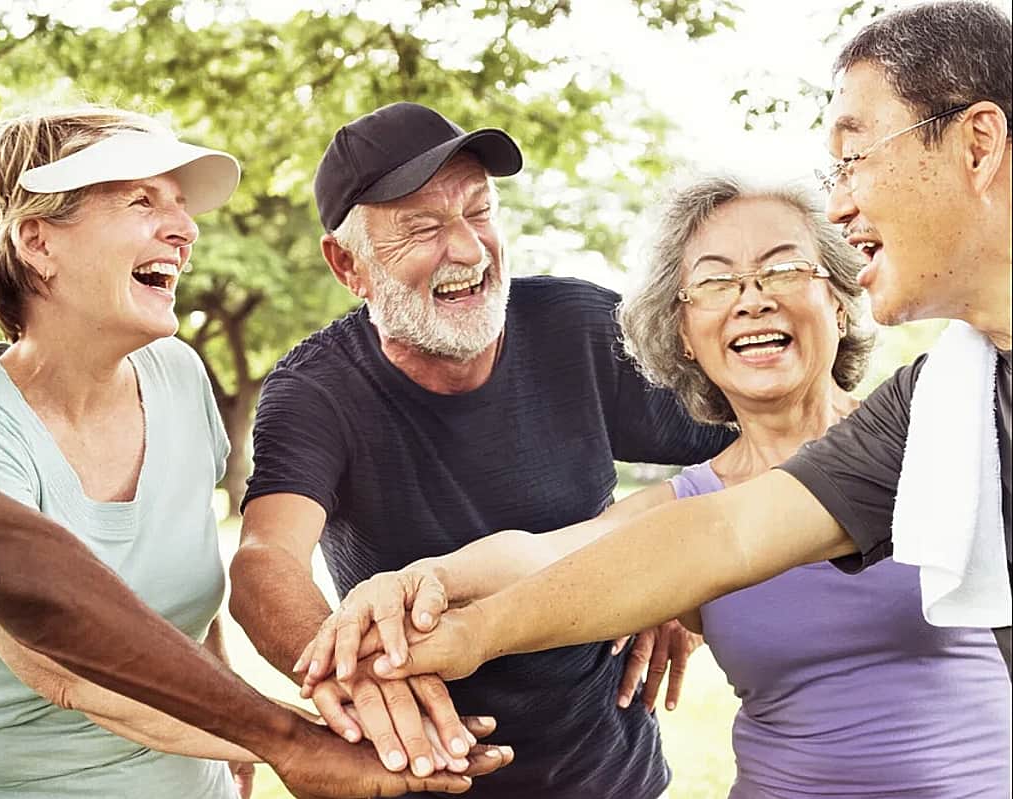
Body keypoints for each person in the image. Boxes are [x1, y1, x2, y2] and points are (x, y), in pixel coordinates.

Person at [0, 3, 505, 795]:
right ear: (37, 242)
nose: (185, 228)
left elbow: (189, 609)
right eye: (143, 201)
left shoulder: (179, 379)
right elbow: (70, 674)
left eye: (179, 204)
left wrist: (234, 757)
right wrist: (297, 738)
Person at [304, 0, 1013, 691]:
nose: (839, 204)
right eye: (715, 282)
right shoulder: (939, 407)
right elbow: (717, 536)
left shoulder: (939, 420)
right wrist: (463, 619)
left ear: (978, 145)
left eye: (855, 157)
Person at [298, 175, 1011, 796]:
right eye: (714, 282)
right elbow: (551, 554)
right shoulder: (690, 508)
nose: (752, 299)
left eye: (783, 268)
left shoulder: (940, 430)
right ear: (684, 330)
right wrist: (419, 579)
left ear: (839, 295)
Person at [230, 101, 734, 799]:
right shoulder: (317, 390)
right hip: (429, 777)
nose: (467, 249)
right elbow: (265, 560)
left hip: (611, 777)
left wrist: (681, 574)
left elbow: (774, 434)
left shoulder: (582, 328)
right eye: (423, 227)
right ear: (348, 264)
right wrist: (355, 676)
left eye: (478, 211)